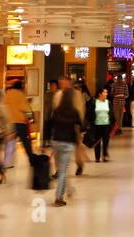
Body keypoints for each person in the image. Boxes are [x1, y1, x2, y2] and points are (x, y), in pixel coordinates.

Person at [47, 77, 83, 206]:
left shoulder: (57, 110)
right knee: (63, 169)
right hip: (68, 142)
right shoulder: (74, 112)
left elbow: (49, 124)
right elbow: (81, 124)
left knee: (62, 169)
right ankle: (58, 197)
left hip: (56, 141)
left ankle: (68, 190)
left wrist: (46, 141)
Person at [4, 79, 34, 165]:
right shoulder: (20, 94)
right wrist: (28, 102)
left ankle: (7, 161)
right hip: (20, 122)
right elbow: (24, 108)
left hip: (10, 122)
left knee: (10, 142)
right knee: (25, 141)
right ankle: (31, 159)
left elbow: (5, 105)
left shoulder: (8, 94)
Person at [91, 87, 113, 159]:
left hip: (106, 125)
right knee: (97, 142)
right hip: (96, 125)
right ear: (100, 94)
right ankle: (97, 157)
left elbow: (111, 113)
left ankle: (104, 155)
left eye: (107, 92)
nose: (106, 94)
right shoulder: (94, 102)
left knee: (106, 141)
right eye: (105, 92)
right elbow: (90, 113)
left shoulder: (108, 102)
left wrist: (112, 123)